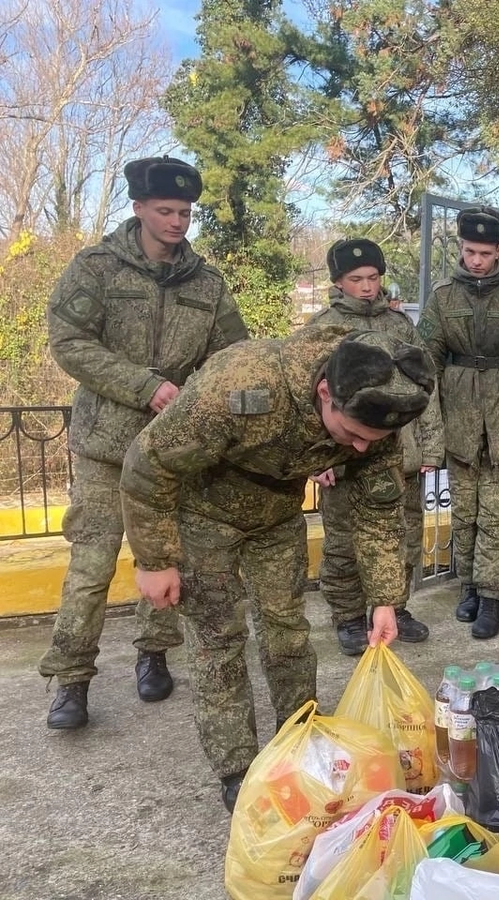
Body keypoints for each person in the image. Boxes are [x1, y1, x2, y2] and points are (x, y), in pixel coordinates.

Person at [120, 326, 435, 811]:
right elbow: (149, 465)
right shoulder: (241, 383)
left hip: (277, 517)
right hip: (202, 512)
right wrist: (156, 559)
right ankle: (237, 769)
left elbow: (379, 508)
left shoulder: (380, 409)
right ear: (325, 392)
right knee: (218, 640)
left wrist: (385, 598)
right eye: (351, 434)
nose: (358, 449)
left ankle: (299, 743)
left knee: (287, 633)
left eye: (373, 441)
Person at [39, 156, 248, 731]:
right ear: (138, 209)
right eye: (165, 211)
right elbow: (69, 342)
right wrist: (144, 384)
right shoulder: (97, 268)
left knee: (167, 556)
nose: (177, 221)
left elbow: (231, 354)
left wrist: (213, 408)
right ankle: (72, 679)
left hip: (174, 447)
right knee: (91, 564)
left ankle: (154, 655)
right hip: (107, 446)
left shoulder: (206, 281)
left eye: (184, 212)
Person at [417, 207, 499, 639]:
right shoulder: (442, 298)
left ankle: (492, 598)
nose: (476, 260)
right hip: (459, 421)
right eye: (469, 251)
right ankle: (470, 586)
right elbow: (426, 366)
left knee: (497, 514)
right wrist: (431, 434)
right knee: (465, 514)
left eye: (485, 252)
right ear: (460, 247)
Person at [308, 239, 444, 652]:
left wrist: (431, 446)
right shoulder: (323, 326)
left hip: (398, 450)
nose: (367, 287)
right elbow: (311, 396)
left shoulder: (400, 325)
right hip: (344, 454)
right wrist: (318, 458)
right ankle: (348, 616)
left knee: (402, 533)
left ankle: (395, 607)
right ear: (337, 282)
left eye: (373, 278)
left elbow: (426, 388)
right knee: (344, 541)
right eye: (356, 279)